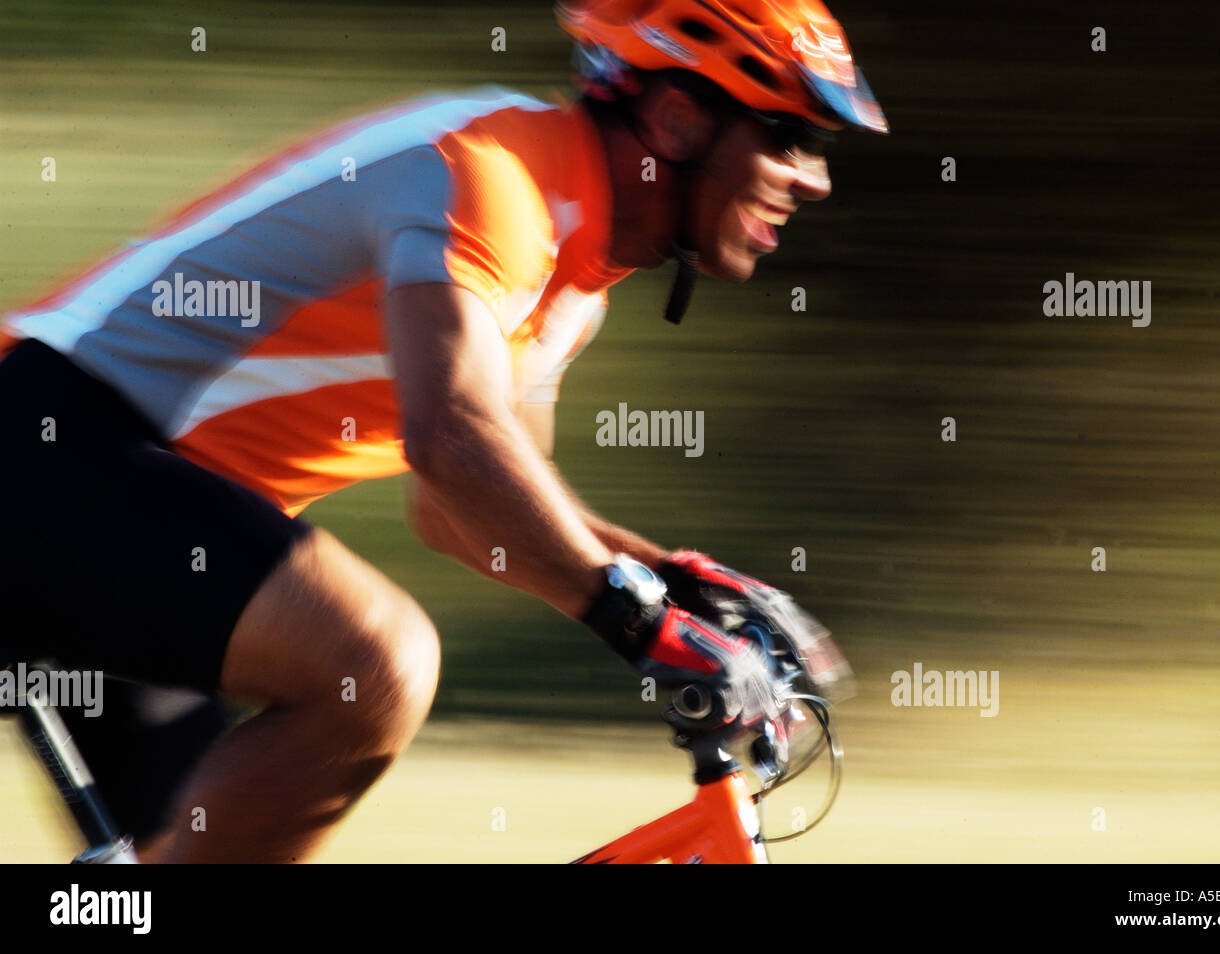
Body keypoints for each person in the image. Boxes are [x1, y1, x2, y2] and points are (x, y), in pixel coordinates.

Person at [0, 0, 886, 862]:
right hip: (47, 438)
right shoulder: (496, 178)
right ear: (680, 119)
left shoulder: (572, 291)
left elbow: (472, 514)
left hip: (138, 515)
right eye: (788, 138)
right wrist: (640, 624)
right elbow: (455, 442)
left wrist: (671, 581)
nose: (813, 178)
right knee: (375, 666)